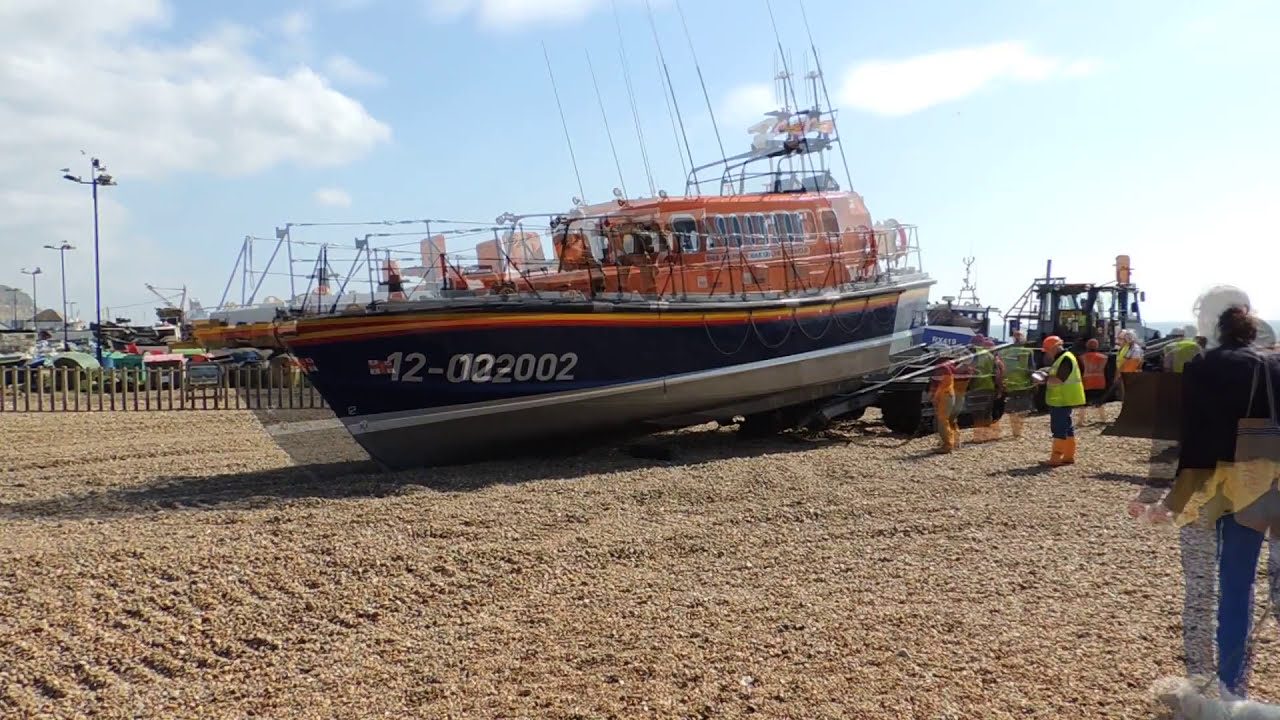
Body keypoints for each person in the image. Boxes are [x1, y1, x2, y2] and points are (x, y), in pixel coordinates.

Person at [1157, 306, 1280, 700]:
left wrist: (1177, 497)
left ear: (1217, 331)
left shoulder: (1203, 368)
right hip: (1273, 479)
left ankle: (1232, 687)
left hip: (1229, 485)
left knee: (1235, 584)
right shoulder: (1273, 366)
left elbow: (1193, 435)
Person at [1037, 334, 1085, 466]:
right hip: (1064, 398)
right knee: (1067, 427)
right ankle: (1068, 456)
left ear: (1055, 348)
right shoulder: (1063, 358)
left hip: (1062, 398)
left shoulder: (1065, 358)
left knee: (1059, 428)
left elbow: (1059, 379)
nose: (1046, 353)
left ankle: (1056, 458)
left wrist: (1043, 379)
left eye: (1047, 350)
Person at [998, 330, 1036, 439]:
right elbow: (1031, 369)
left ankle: (1014, 430)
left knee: (1012, 409)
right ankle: (1019, 432)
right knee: (1022, 409)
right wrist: (1034, 383)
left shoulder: (1004, 351)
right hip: (1023, 384)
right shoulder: (1028, 352)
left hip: (1009, 384)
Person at [967, 336, 1000, 442]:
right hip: (989, 386)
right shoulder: (990, 355)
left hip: (977, 386)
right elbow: (997, 374)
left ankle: (978, 437)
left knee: (978, 414)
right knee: (987, 413)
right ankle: (987, 436)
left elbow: (969, 369)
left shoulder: (973, 353)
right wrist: (999, 388)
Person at [930, 355, 959, 453]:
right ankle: (955, 441)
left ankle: (948, 445)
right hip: (949, 395)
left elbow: (939, 384)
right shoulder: (950, 364)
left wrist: (934, 396)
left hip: (944, 396)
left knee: (943, 421)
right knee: (950, 419)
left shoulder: (941, 366)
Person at [1077, 338, 1109, 426]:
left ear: (1087, 346)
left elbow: (1080, 370)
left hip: (1087, 382)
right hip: (1100, 382)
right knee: (1099, 402)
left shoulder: (1082, 357)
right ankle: (1103, 419)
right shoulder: (1104, 357)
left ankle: (1081, 421)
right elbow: (1107, 371)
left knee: (1084, 403)